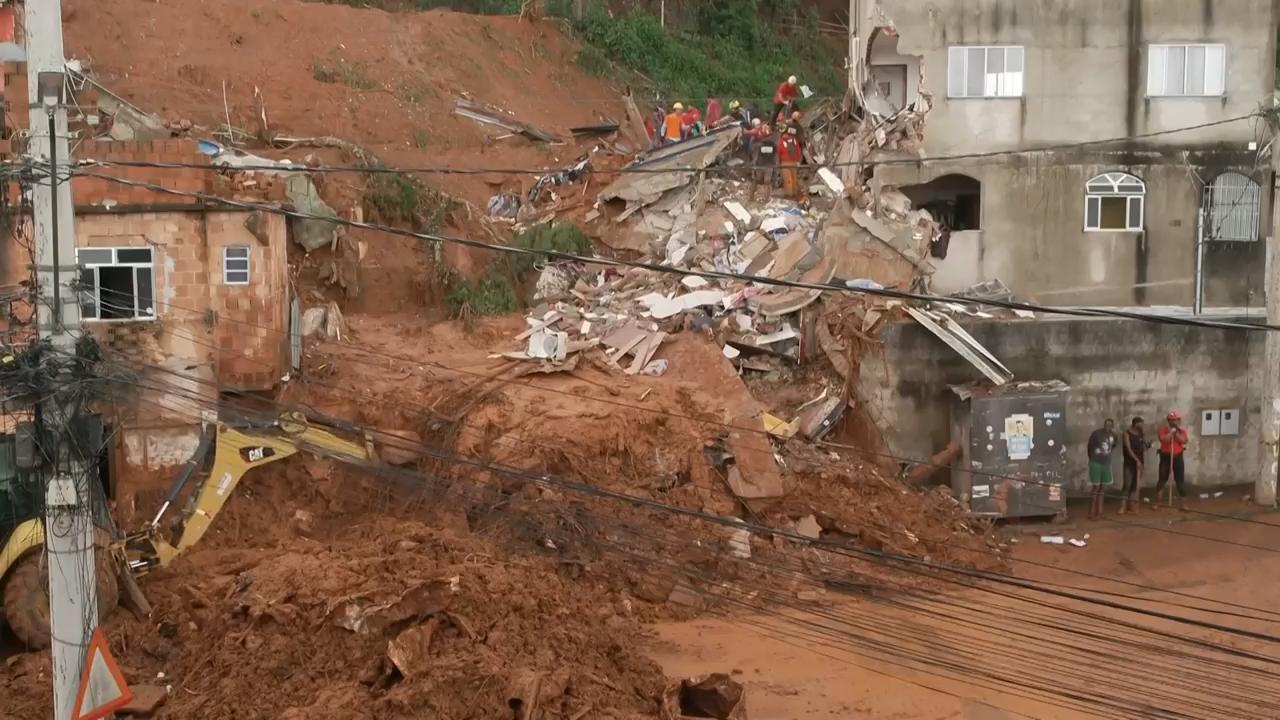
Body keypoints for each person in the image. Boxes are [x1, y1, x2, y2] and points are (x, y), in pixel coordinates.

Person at [1155, 411, 1190, 508]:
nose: (1176, 422)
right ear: (1169, 421)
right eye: (1173, 420)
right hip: (1165, 456)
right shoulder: (1163, 429)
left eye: (1177, 420)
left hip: (1177, 456)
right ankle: (1158, 503)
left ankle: (1184, 504)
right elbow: (1164, 440)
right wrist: (1170, 432)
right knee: (1162, 480)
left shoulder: (1181, 431)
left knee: (1180, 481)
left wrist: (1176, 433)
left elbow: (1184, 441)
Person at [1086, 418, 1117, 519]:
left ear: (1112, 426)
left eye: (1110, 425)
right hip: (1096, 463)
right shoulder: (1096, 434)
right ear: (1104, 425)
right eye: (1106, 424)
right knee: (1095, 487)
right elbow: (1089, 447)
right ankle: (1091, 511)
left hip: (1106, 464)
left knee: (1102, 489)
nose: (1108, 426)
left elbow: (1113, 446)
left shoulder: (1114, 435)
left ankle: (1100, 512)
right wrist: (1093, 459)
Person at [1120, 416, 1149, 514]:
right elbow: (1128, 448)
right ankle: (1123, 506)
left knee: (1135, 485)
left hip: (1140, 463)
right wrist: (1136, 459)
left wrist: (1147, 444)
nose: (1143, 426)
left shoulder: (1141, 434)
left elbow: (1144, 448)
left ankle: (1131, 505)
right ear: (1136, 423)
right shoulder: (1126, 433)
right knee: (1127, 485)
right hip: (1129, 462)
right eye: (1141, 424)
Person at [746, 118, 774, 201]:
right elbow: (753, 153)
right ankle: (751, 197)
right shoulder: (756, 142)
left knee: (767, 181)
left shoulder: (771, 142)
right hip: (759, 163)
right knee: (756, 180)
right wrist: (753, 163)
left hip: (768, 163)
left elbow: (775, 153)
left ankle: (766, 198)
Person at [778, 126, 803, 200]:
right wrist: (798, 160)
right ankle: (794, 193)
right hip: (794, 162)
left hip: (785, 162)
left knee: (787, 178)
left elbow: (779, 151)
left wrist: (779, 161)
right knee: (794, 177)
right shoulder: (794, 140)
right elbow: (798, 150)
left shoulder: (781, 140)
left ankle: (789, 194)